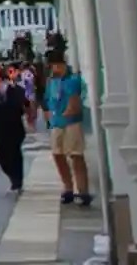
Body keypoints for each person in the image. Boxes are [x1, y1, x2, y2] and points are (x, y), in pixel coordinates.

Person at [42, 50, 91, 206]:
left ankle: (82, 190)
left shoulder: (73, 79)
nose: (53, 69)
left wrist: (71, 108)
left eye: (55, 66)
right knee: (58, 154)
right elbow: (48, 100)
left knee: (76, 155)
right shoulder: (51, 82)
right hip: (57, 122)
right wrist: (49, 117)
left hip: (71, 122)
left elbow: (74, 101)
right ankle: (68, 187)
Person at [0, 65, 27, 193]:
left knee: (15, 154)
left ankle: (17, 180)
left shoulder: (16, 90)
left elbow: (22, 108)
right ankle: (12, 176)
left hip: (14, 127)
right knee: (0, 155)